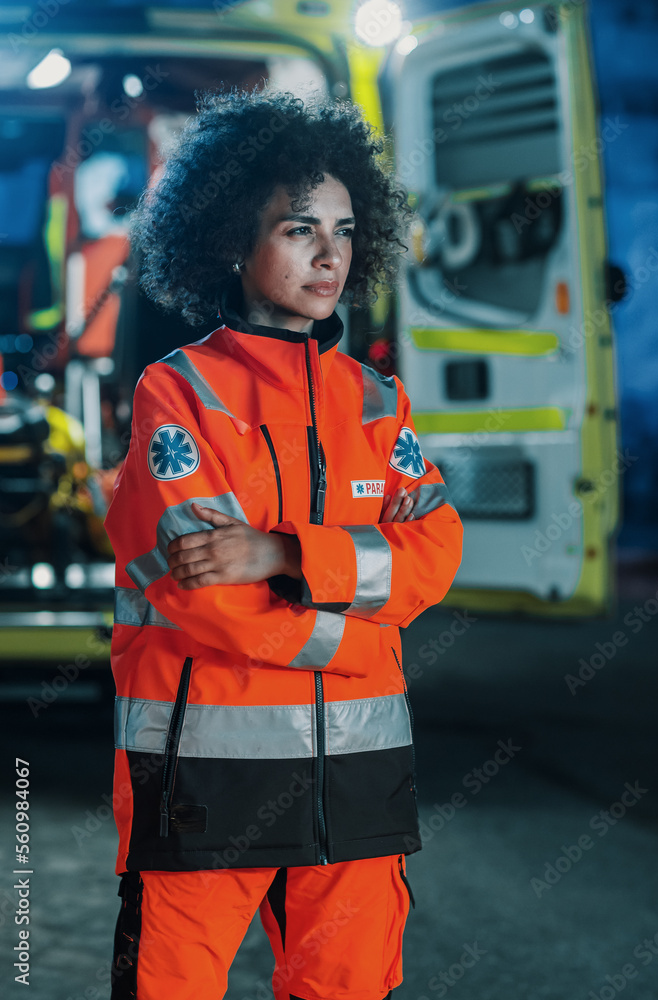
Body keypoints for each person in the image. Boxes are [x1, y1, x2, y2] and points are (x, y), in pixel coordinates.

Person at [104, 87, 464, 1000]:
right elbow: (198, 591)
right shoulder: (178, 395)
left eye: (343, 230)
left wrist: (282, 554)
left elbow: (434, 552)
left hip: (359, 781)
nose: (329, 255)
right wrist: (368, 640)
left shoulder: (377, 401)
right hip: (201, 778)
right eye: (299, 228)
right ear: (230, 235)